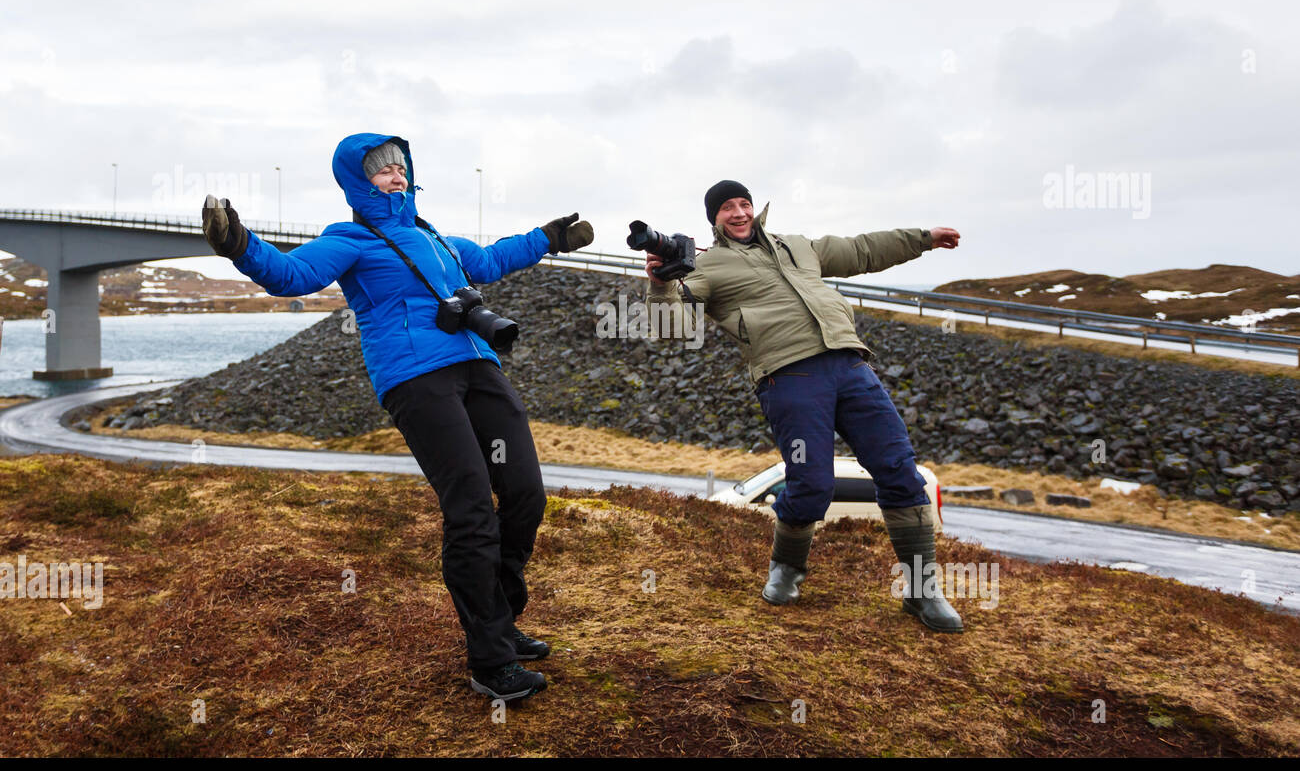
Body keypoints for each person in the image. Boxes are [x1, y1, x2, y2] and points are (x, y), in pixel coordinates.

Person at [200, 132, 594, 698]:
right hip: (415, 377)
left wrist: (549, 237)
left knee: (526, 494)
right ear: (359, 181)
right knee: (471, 507)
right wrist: (239, 243)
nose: (396, 174)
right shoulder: (351, 240)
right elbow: (291, 276)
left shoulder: (435, 237)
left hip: (479, 365)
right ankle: (491, 659)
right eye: (383, 169)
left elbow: (490, 259)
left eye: (401, 166)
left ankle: (502, 619)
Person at [645, 180, 965, 632]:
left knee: (898, 469)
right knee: (812, 483)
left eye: (744, 204)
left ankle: (922, 592)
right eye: (726, 209)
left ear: (754, 208)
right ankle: (787, 570)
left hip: (851, 367)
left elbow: (862, 250)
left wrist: (923, 239)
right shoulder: (708, 265)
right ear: (713, 220)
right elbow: (671, 330)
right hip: (788, 376)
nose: (738, 213)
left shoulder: (798, 247)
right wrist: (660, 285)